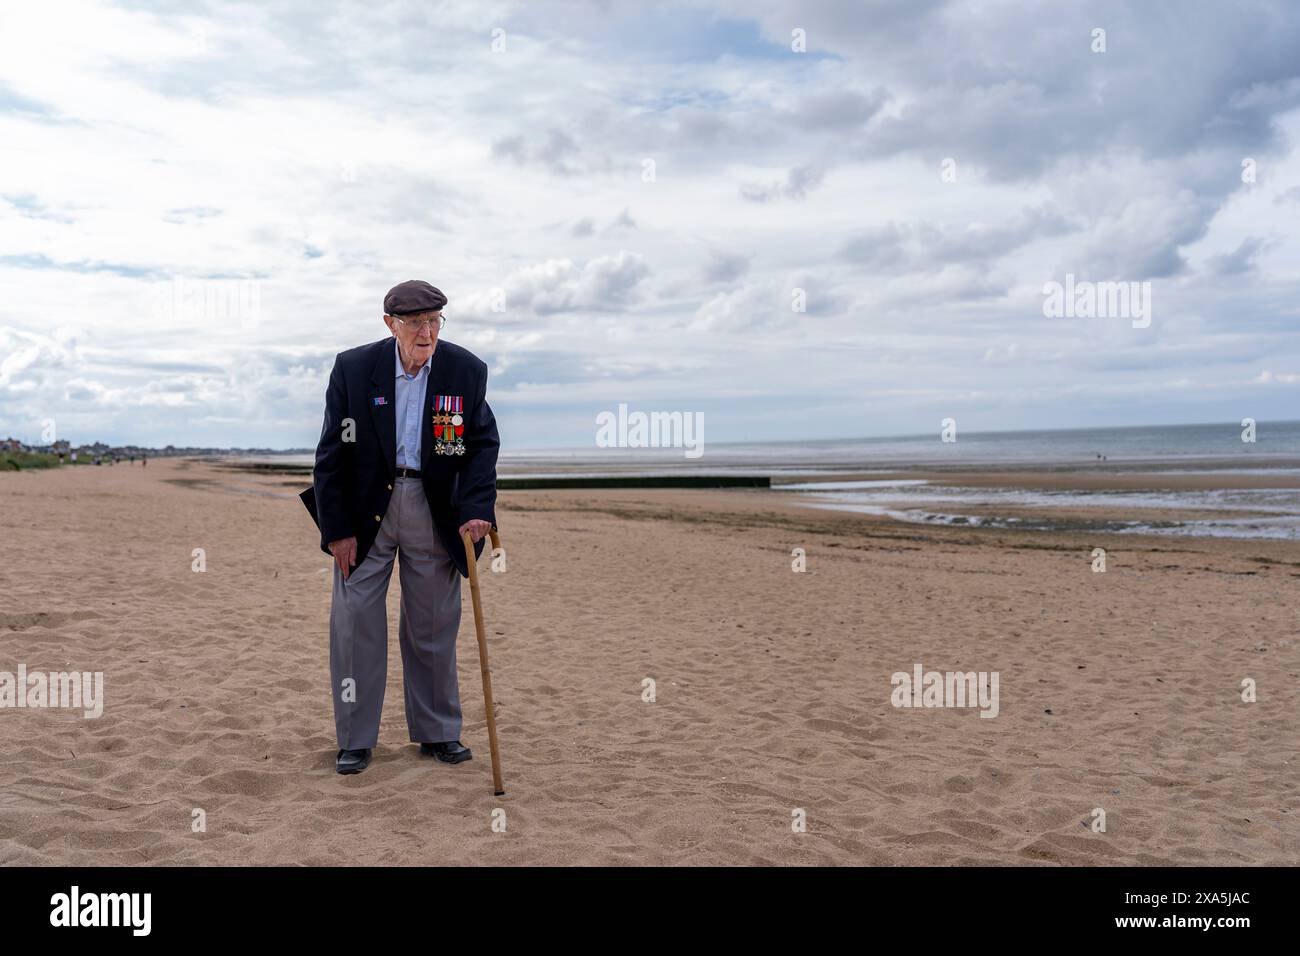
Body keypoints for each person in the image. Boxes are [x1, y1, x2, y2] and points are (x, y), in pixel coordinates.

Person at [311, 280, 499, 775]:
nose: (427, 332)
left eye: (435, 320)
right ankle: (355, 739)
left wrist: (477, 508)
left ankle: (438, 733)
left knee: (433, 626)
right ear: (390, 325)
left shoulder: (466, 370)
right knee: (355, 628)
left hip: (435, 510)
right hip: (363, 512)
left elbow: (481, 445)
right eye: (416, 323)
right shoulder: (354, 369)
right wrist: (336, 530)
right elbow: (331, 452)